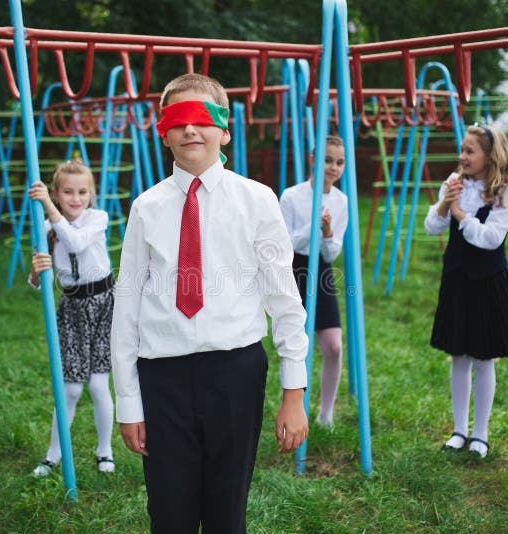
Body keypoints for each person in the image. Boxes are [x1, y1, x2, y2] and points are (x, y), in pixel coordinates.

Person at [111, 73, 309, 533]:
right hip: (162, 378)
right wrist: (128, 403)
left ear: (225, 130)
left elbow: (284, 299)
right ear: (164, 131)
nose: (190, 130)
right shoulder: (146, 208)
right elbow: (127, 308)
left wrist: (293, 394)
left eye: (202, 118)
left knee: (227, 513)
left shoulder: (257, 200)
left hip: (234, 373)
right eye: (177, 119)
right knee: (169, 513)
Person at [424, 124, 508, 459]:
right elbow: (432, 227)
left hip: (486, 281)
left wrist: (459, 214)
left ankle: (480, 434)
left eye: (470, 151)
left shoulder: (503, 191)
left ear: (489, 156)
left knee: (483, 356)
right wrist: (445, 206)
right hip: (457, 279)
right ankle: (459, 430)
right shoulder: (453, 185)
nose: (462, 156)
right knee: (459, 354)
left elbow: (490, 238)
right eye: (462, 149)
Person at [27, 159, 116, 476]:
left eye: (82, 192)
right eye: (67, 192)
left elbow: (76, 241)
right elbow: (40, 283)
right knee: (71, 389)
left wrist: (49, 207)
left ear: (90, 194)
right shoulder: (47, 228)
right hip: (73, 309)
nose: (76, 198)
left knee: (96, 385)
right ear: (56, 192)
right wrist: (37, 274)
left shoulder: (97, 218)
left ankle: (104, 450)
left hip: (104, 304)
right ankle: (53, 454)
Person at [279, 135, 348, 428]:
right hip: (294, 269)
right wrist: (313, 226)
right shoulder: (292, 196)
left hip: (321, 271)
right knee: (297, 344)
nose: (333, 167)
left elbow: (332, 252)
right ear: (313, 161)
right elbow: (285, 242)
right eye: (327, 160)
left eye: (339, 162)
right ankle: (293, 408)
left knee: (333, 346)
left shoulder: (342, 201)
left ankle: (326, 412)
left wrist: (329, 231)